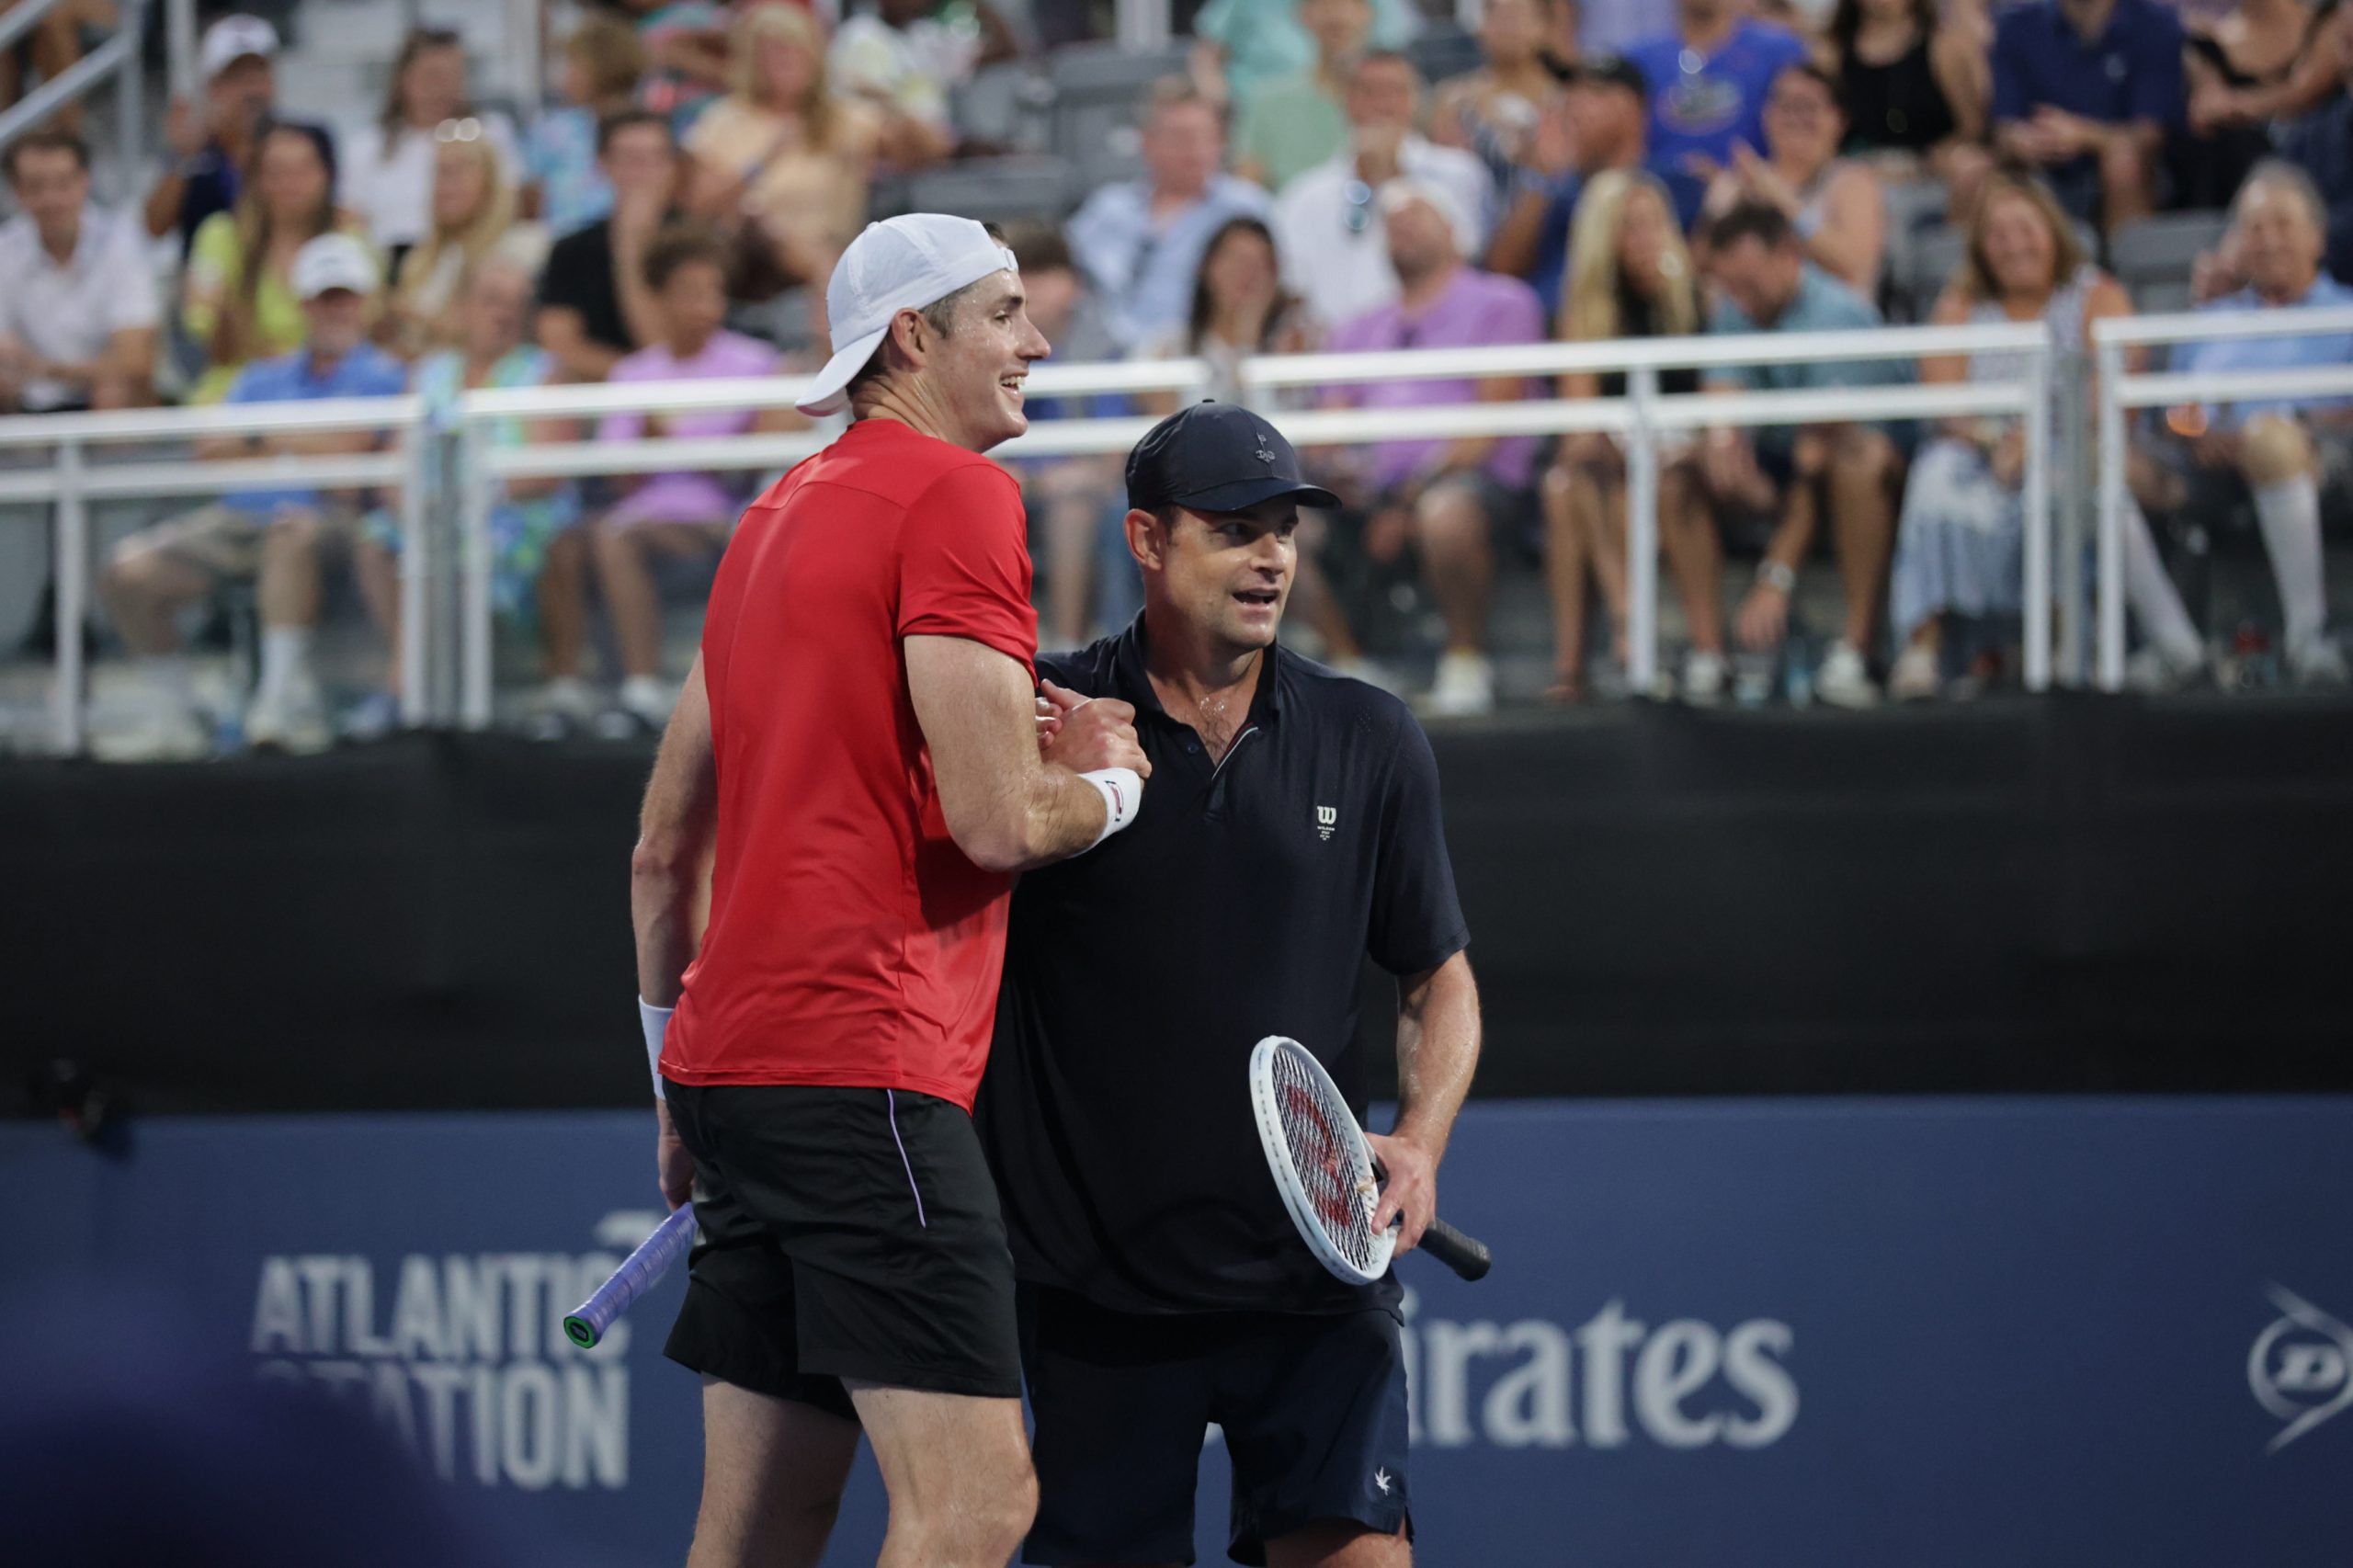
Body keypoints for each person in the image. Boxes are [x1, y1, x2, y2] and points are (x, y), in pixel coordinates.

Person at [630, 211, 1148, 1568]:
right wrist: (1115, 781)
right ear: (914, 337)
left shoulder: (765, 519)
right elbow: (994, 821)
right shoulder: (959, 493)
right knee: (979, 1506)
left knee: (758, 1529)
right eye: (1005, 314)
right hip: (864, 1069)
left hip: (732, 1077)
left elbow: (660, 850)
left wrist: (676, 1082)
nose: (1037, 339)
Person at [977, 401, 1482, 1568]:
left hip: (1313, 1277)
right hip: (1094, 1288)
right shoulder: (1046, 720)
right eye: (1234, 528)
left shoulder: (1370, 735)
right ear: (1146, 541)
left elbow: (1436, 975)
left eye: (1285, 531)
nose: (1270, 558)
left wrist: (1420, 1140)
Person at [1889, 175, 2204, 699]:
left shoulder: (2096, 295)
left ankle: (2072, 644)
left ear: (2053, 232)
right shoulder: (1961, 303)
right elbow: (1943, 400)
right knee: (1934, 475)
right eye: (1997, 234)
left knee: (2065, 480)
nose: (2013, 245)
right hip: (1985, 455)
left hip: (2074, 447)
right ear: (1980, 247)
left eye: (2025, 230)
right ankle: (1921, 649)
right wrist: (1994, 440)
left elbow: (2112, 399)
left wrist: (2039, 442)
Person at [96, 235, 407, 761]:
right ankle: (182, 710)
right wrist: (303, 446)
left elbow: (353, 461)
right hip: (238, 518)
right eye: (325, 298)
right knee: (127, 573)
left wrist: (266, 440)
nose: (337, 310)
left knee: (291, 531)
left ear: (366, 301)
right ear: (304, 305)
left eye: (347, 297)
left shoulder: (384, 375)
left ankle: (276, 703)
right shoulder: (261, 376)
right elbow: (211, 449)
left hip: (330, 526)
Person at [1322, 179, 1549, 717]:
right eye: (1391, 217)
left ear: (1455, 230)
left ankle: (1465, 658)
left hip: (1474, 481)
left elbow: (1489, 424)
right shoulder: (1357, 327)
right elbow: (1328, 432)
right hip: (1373, 487)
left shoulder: (1504, 302)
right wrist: (1340, 474)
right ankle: (1349, 664)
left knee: (1444, 514)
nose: (1400, 221)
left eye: (1418, 212)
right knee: (1278, 526)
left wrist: (1406, 496)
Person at [1671, 200, 1911, 709]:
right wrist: (1720, 446)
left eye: (1750, 284)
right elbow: (1724, 405)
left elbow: (1816, 464)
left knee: (1855, 465)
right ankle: (1709, 657)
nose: (1739, 298)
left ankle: (1857, 648)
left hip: (1859, 475)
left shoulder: (1841, 317)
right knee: (1679, 476)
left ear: (1789, 255)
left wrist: (1775, 577)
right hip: (1785, 463)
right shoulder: (1735, 309)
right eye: (1729, 285)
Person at [575, 222, 797, 734]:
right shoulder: (632, 373)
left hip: (727, 521)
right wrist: (700, 447)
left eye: (714, 291)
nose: (705, 305)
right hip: (645, 517)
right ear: (660, 299)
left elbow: (750, 469)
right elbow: (619, 478)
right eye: (690, 293)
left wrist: (667, 443)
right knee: (584, 544)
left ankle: (648, 686)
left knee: (616, 539)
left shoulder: (757, 363)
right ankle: (602, 688)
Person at [365, 256, 584, 741]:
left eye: (516, 305)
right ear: (461, 309)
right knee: (377, 539)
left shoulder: (543, 371)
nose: (504, 315)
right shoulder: (428, 374)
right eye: (491, 302)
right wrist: (416, 504)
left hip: (516, 513)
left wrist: (472, 497)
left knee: (550, 539)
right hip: (439, 515)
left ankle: (556, 683)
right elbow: (395, 468)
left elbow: (549, 470)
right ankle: (409, 674)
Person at [2164, 162, 2353, 687]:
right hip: (2212, 469)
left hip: (2326, 455)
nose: (2268, 241)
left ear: (2317, 237)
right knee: (2103, 463)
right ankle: (2168, 651)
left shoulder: (2345, 312)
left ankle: (2307, 638)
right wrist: (2196, 434)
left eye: (2283, 225)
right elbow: (2173, 410)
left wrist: (2297, 426)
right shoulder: (2210, 320)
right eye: (2254, 229)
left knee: (2272, 441)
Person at [1542, 169, 1704, 702]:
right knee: (1567, 481)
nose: (1643, 238)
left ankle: (1600, 645)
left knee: (1577, 484)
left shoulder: (1694, 294)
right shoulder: (1584, 309)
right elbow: (1578, 414)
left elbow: (1715, 393)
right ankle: (1622, 620)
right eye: (1628, 226)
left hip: (1685, 445)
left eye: (1652, 223)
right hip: (1612, 453)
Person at [1273, 51, 1492, 332]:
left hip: (1433, 345)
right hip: (1335, 353)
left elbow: (1464, 256)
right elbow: (1292, 289)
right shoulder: (1305, 195)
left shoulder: (1460, 174)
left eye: (1396, 92)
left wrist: (1392, 175)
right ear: (1346, 101)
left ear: (1415, 101)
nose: (1383, 105)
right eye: (1369, 92)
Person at [684, 3, 879, 301]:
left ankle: (832, 286)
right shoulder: (724, 119)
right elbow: (697, 203)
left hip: (835, 243)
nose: (783, 59)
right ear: (751, 61)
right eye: (770, 51)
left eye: (792, 48)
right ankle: (833, 290)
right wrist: (762, 161)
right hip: (752, 257)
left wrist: (880, 95)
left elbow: (921, 146)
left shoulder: (842, 116)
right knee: (759, 222)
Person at [1066, 80, 1273, 353]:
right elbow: (1065, 277)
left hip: (1204, 359)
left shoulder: (1245, 209)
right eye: (1180, 137)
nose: (1194, 148)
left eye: (1205, 136)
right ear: (1147, 142)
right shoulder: (1107, 210)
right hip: (1110, 361)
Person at [181, 120, 369, 404]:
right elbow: (208, 329)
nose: (290, 183)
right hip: (238, 387)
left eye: (303, 170)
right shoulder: (222, 235)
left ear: (327, 175)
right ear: (255, 177)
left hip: (336, 388)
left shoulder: (348, 235)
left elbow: (367, 323)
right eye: (277, 171)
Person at [1991, 0, 2182, 235]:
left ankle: (2124, 268)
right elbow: (2004, 127)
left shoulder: (2156, 23)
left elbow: (2150, 134)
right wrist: (2022, 140)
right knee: (1971, 169)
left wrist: (2085, 136)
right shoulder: (2015, 24)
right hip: (2039, 170)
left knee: (2123, 163)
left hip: (2134, 172)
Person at [1696, 63, 1887, 297]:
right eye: (1785, 105)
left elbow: (1856, 268)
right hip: (1744, 324)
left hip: (1833, 325)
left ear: (1840, 119)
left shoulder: (1852, 181)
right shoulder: (1738, 183)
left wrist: (1782, 198)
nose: (1796, 117)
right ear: (1766, 115)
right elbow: (1697, 267)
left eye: (1808, 106)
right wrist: (1718, 211)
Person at [0, 131, 158, 414]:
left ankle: (112, 458)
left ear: (84, 181)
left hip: (98, 394)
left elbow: (136, 359)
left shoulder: (121, 242)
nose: (51, 199)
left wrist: (47, 369)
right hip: (26, 393)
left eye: (62, 184)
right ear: (17, 192)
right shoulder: (6, 249)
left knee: (115, 388)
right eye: (36, 187)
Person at [1486, 53, 1652, 318]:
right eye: (1573, 93)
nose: (1575, 105)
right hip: (1544, 337)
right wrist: (1541, 179)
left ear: (1632, 107)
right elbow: (1501, 271)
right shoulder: (1558, 189)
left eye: (1595, 94)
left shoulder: (1670, 183)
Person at [341, 28, 519, 265]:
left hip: (471, 263)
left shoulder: (490, 133)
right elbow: (351, 223)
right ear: (402, 78)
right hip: (387, 265)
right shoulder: (365, 146)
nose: (442, 88)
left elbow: (507, 206)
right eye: (432, 76)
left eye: (453, 77)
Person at [1625, 0, 1811, 227]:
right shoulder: (1638, 60)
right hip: (1659, 214)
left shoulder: (1780, 52)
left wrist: (1745, 181)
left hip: (1755, 214)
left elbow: (1808, 138)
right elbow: (1624, 150)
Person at [536, 109, 681, 382]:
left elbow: (669, 350)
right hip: (602, 396)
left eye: (655, 158)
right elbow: (560, 347)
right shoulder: (571, 250)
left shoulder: (699, 243)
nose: (643, 173)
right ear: (603, 164)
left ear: (672, 166)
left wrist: (631, 246)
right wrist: (638, 377)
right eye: (631, 160)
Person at [1824, 0, 1992, 221]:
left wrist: (1927, 161)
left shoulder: (1944, 49)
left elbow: (1973, 128)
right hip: (1857, 182)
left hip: (1931, 180)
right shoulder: (1831, 55)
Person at [142, 13, 278, 260]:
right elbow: (154, 227)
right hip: (205, 287)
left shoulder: (301, 140)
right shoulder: (193, 153)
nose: (252, 90)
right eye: (238, 78)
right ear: (214, 88)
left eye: (259, 75)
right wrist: (181, 159)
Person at [385, 132, 521, 358]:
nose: (447, 184)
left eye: (460, 171)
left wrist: (422, 321)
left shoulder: (516, 250)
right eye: (441, 172)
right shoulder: (420, 259)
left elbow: (501, 333)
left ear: (490, 183)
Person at [521, 12, 646, 235]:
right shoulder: (553, 129)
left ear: (602, 66)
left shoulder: (647, 129)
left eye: (573, 64)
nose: (565, 75)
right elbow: (531, 200)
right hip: (560, 244)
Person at [2175, 0, 2305, 210]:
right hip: (2243, 172)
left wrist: (2243, 104)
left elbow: (2305, 90)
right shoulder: (2207, 43)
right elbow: (2207, 108)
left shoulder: (2326, 27)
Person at [1430, 0, 1560, 210]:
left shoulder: (1562, 101)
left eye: (1518, 16)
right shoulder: (1453, 99)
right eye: (1498, 15)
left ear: (1543, 27)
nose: (1508, 27)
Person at [1233, 0, 1370, 194]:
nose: (1337, 16)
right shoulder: (1268, 102)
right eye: (1325, 5)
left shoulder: (1395, 99)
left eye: (1349, 4)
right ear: (1304, 15)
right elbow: (1245, 190)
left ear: (1367, 13)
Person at [1189, 0, 1421, 112]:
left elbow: (1393, 51)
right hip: (1251, 110)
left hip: (1353, 106)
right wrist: (1221, 107)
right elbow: (1207, 55)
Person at [827, 0, 968, 169]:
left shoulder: (924, 35)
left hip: (933, 157)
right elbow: (865, 98)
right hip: (882, 160)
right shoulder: (861, 34)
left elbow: (1003, 50)